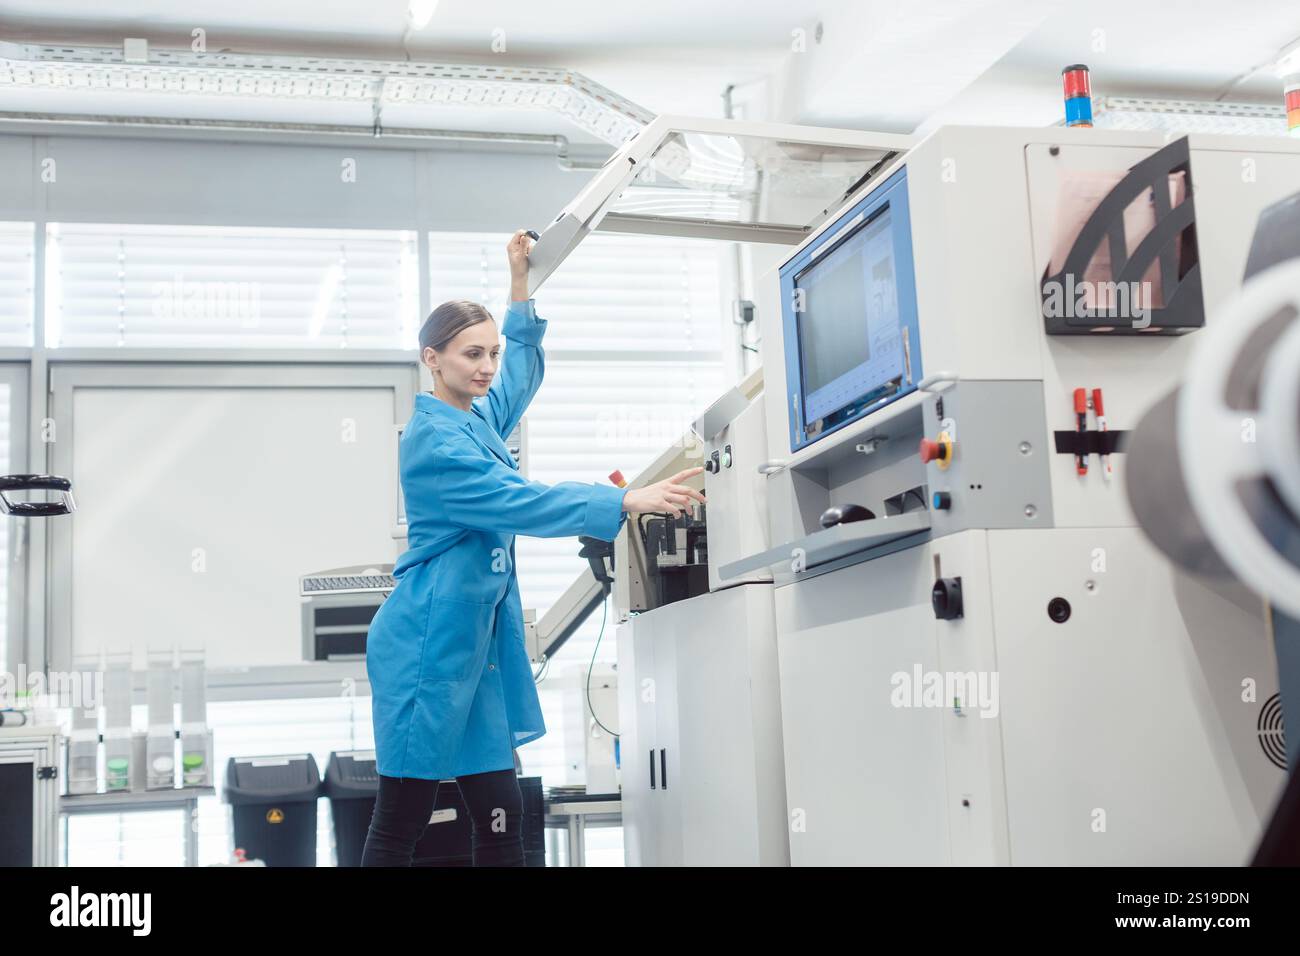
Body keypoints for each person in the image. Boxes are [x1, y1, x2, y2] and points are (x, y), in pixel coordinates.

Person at [361, 229, 705, 866]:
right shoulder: (436, 442)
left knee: (501, 815)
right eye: (471, 355)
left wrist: (518, 285)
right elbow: (521, 501)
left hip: (477, 649)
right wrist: (622, 502)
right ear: (431, 358)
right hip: (428, 650)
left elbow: (517, 373)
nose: (487, 367)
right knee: (401, 822)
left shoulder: (474, 417)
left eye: (489, 352)